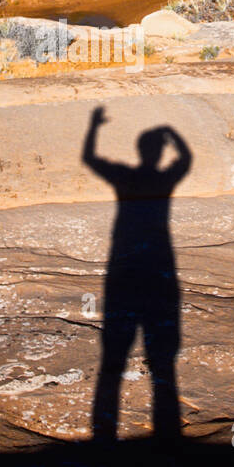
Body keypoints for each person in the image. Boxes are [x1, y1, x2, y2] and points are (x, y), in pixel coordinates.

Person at [82, 104, 192, 442]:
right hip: (160, 270)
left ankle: (104, 439)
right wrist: (173, 135)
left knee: (113, 357)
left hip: (123, 270)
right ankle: (168, 440)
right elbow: (186, 160)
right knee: (163, 362)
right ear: (158, 152)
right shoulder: (163, 178)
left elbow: (90, 159)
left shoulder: (125, 178)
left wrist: (94, 126)